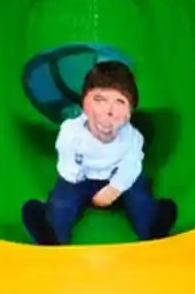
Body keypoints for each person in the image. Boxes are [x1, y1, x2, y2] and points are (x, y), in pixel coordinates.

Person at [22, 60, 177, 245]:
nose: (109, 111)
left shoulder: (131, 138)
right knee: (62, 203)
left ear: (129, 113)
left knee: (140, 201)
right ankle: (52, 234)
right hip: (82, 179)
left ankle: (153, 228)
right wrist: (74, 179)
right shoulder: (71, 132)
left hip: (118, 179)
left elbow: (131, 166)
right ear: (83, 105)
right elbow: (67, 161)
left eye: (120, 102)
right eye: (99, 100)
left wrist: (114, 189)